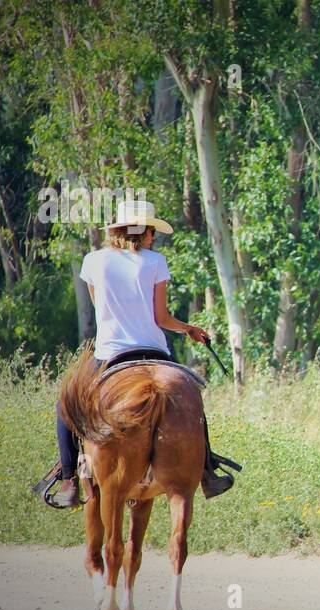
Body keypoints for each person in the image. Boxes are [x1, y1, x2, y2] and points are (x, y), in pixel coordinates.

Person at [42, 199, 235, 507]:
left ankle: (68, 479)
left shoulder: (93, 260)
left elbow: (99, 306)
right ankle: (207, 469)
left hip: (110, 352)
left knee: (65, 406)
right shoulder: (155, 261)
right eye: (151, 232)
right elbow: (161, 319)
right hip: (154, 350)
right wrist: (188, 329)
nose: (152, 238)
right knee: (190, 400)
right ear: (142, 232)